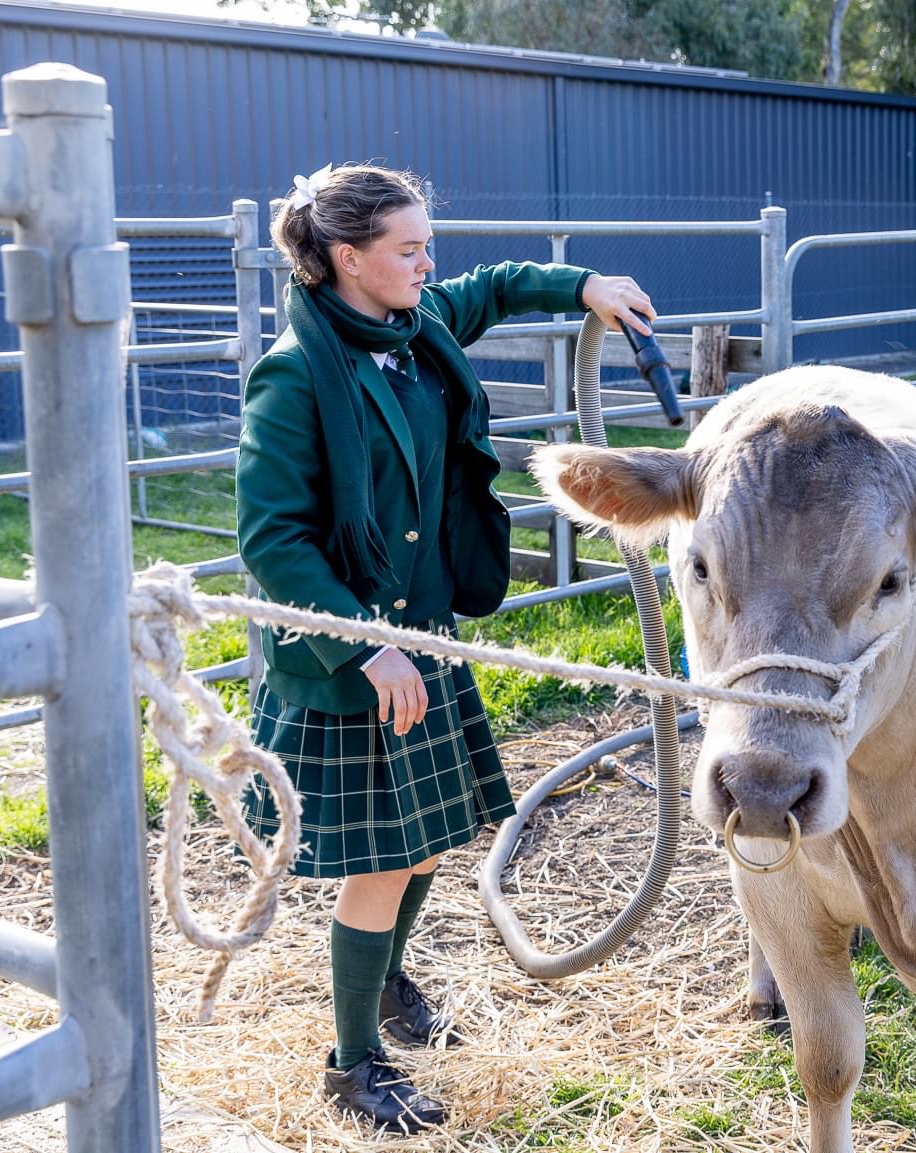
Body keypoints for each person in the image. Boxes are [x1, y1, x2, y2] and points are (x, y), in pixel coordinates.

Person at [236, 163, 655, 1133]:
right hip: (352, 655)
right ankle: (353, 1066)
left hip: (423, 633)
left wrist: (582, 285)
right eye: (409, 248)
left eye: (429, 244)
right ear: (348, 258)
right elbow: (271, 537)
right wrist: (363, 647)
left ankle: (382, 987)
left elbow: (501, 286)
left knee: (421, 850)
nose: (430, 263)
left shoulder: (412, 327)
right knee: (383, 864)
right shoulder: (296, 374)